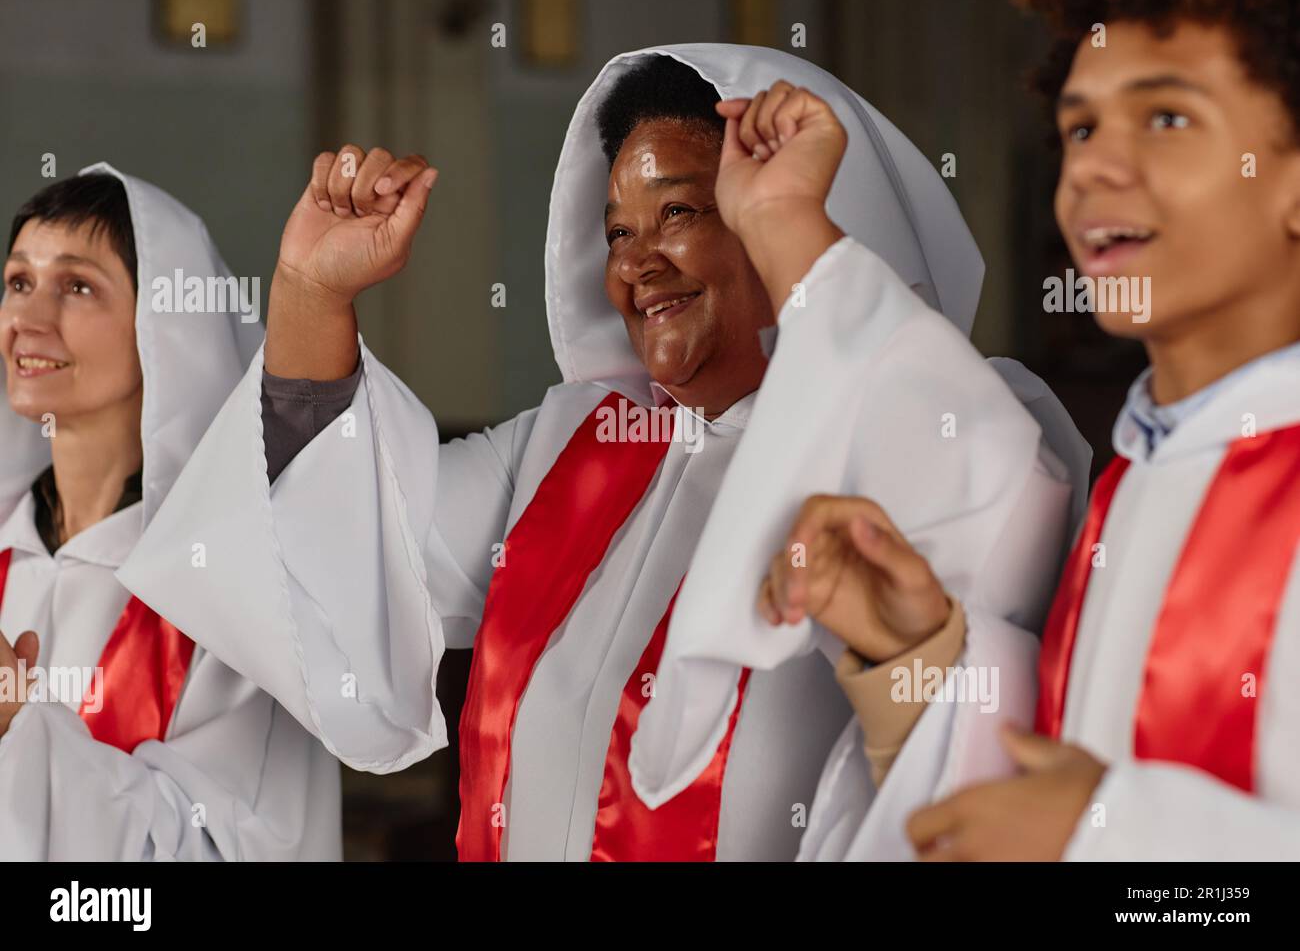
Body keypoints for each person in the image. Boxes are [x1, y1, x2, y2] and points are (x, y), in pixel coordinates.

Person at [122, 45, 1079, 861]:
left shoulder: (954, 439)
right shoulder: (575, 444)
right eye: (617, 231)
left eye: (680, 214)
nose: (633, 263)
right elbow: (346, 544)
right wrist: (310, 295)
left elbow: (969, 693)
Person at [802, 0, 1300, 861]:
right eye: (1079, 128)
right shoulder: (1143, 472)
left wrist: (1104, 837)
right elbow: (1071, 771)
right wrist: (918, 654)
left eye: (1167, 117)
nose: (1094, 168)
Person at [0, 165, 340, 860]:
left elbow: (225, 849)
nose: (27, 321)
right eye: (18, 282)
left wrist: (17, 727)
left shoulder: (230, 594)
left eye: (77, 286)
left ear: (165, 327)